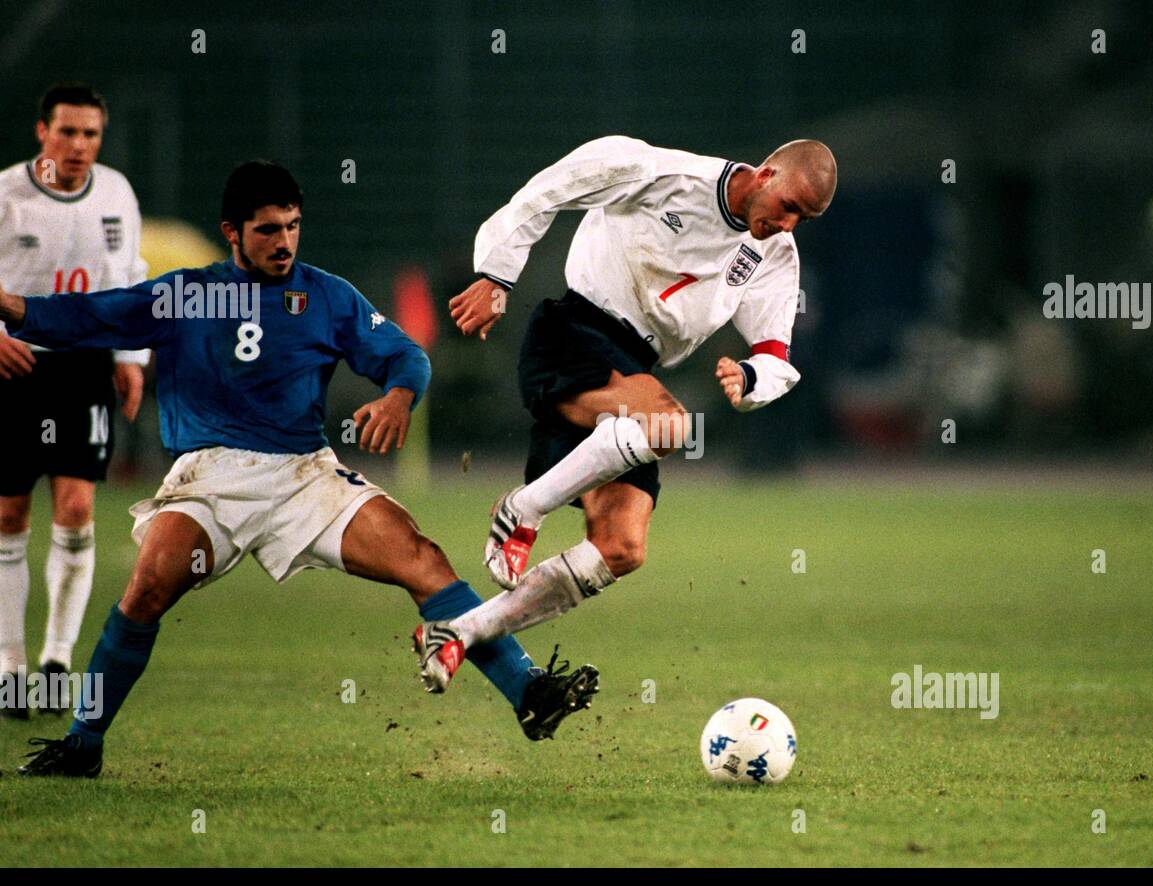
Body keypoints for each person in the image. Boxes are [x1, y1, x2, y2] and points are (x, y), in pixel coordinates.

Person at [0, 161, 596, 777]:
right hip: (209, 479)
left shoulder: (327, 295)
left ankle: (530, 692)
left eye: (292, 226)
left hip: (302, 475)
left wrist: (397, 395)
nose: (283, 242)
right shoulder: (183, 294)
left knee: (423, 559)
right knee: (146, 589)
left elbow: (404, 355)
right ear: (231, 231)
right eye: (266, 230)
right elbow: (87, 315)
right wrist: (11, 306)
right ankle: (83, 743)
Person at [415, 135, 835, 685]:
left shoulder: (774, 254)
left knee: (622, 547)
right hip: (575, 333)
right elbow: (553, 187)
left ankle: (459, 633)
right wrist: (497, 273)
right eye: (789, 206)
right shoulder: (664, 174)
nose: (789, 225)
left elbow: (776, 356)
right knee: (669, 425)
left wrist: (751, 377)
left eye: (804, 218)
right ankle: (523, 508)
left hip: (633, 372)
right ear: (765, 175)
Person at [0, 84, 148, 718]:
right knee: (8, 516)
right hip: (16, 365)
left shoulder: (116, 193)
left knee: (78, 506)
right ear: (42, 133)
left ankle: (57, 661)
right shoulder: (7, 195)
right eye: (68, 132)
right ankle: (8, 667)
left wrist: (131, 358)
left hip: (85, 365)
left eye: (90, 134)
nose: (79, 146)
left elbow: (131, 276)